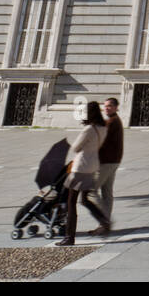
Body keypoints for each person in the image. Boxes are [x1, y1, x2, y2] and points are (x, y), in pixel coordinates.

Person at [57, 100, 111, 245]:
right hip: (93, 165)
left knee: (71, 202)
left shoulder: (88, 129)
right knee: (85, 199)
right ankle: (104, 221)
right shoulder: (103, 128)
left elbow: (75, 147)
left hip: (80, 167)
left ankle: (69, 237)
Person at [90, 97, 123, 235]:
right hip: (113, 161)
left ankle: (104, 221)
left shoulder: (112, 122)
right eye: (105, 106)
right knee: (107, 193)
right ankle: (104, 224)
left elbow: (100, 140)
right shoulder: (113, 121)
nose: (106, 108)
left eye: (109, 106)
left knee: (90, 191)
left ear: (116, 107)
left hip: (106, 162)